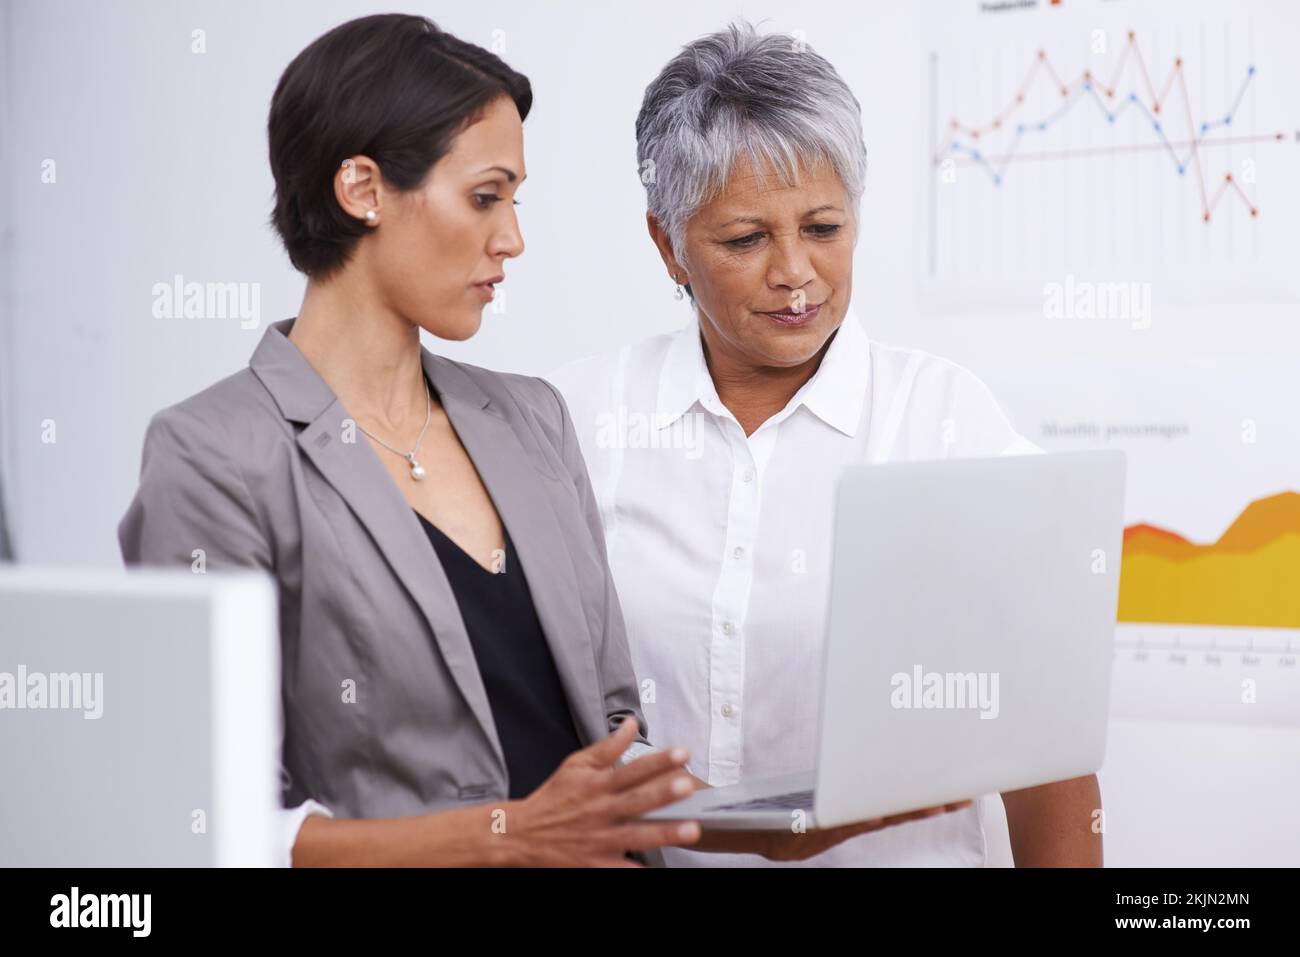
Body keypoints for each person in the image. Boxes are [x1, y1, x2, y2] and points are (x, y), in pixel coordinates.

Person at [118, 14, 956, 867]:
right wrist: (500, 839)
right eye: (486, 196)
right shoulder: (214, 455)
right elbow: (200, 821)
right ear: (363, 189)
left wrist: (763, 827)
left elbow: (609, 743)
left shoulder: (530, 417)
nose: (512, 238)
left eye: (516, 199)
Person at [549, 22, 1102, 867]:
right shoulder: (578, 420)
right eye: (745, 239)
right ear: (668, 246)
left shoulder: (943, 418)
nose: (795, 272)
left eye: (823, 227)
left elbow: (1047, 757)